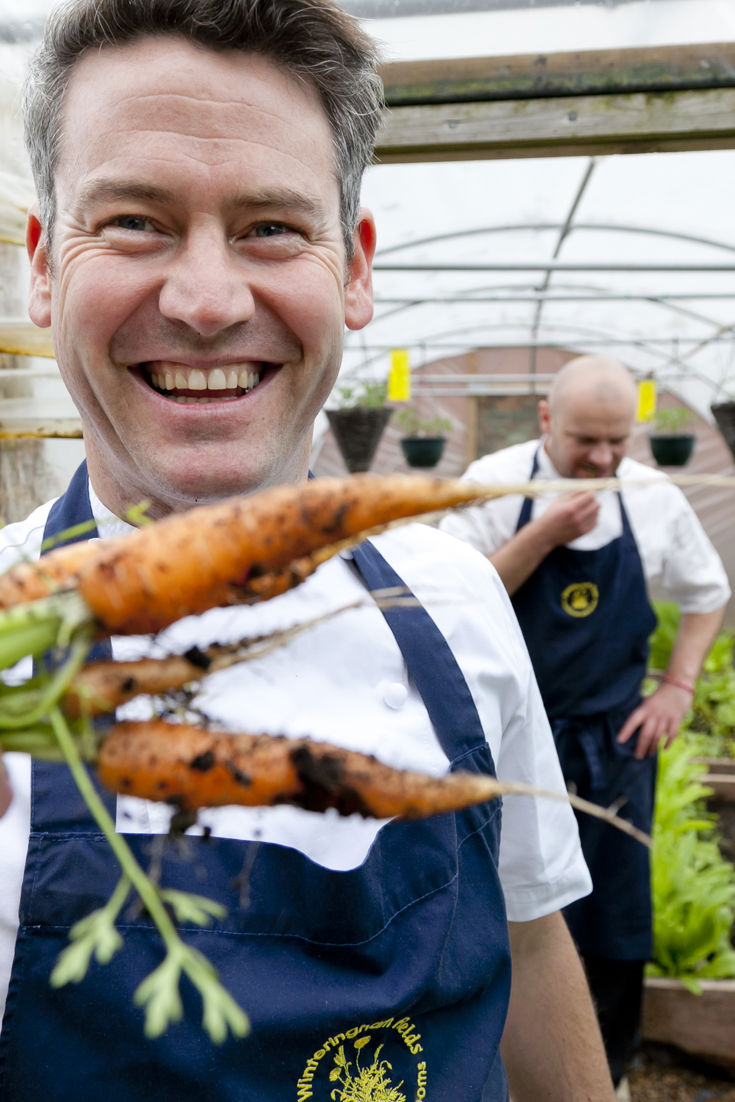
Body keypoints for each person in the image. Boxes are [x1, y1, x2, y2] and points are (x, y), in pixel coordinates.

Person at [0, 3, 616, 1099]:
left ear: (354, 269)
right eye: (134, 220)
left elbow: (529, 944)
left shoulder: (458, 600)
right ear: (44, 268)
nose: (203, 301)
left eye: (272, 228)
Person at [440, 354, 731, 1088]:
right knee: (504, 904)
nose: (602, 459)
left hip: (612, 741)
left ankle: (610, 1069)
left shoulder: (653, 498)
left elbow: (707, 592)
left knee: (615, 913)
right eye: (583, 442)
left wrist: (675, 685)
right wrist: (542, 535)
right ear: (545, 419)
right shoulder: (490, 487)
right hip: (504, 740)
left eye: (616, 442)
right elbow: (452, 606)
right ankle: (501, 1070)